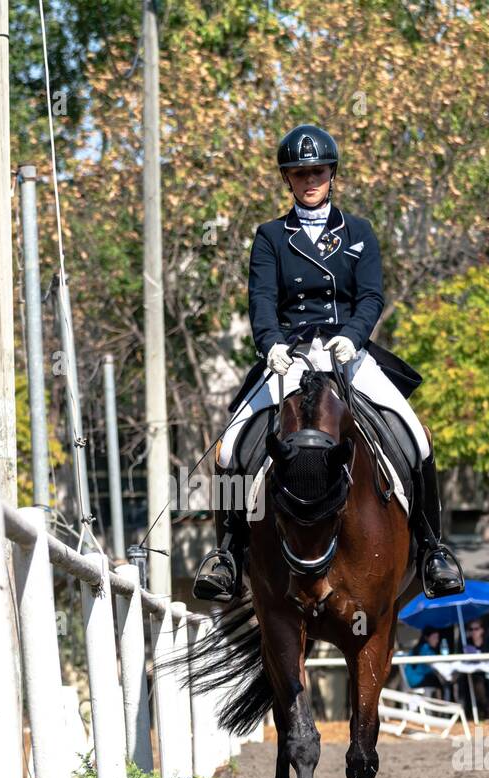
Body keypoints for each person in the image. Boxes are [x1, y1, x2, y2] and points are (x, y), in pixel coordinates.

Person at [192, 123, 463, 603]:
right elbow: (261, 300)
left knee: (417, 435)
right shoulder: (271, 236)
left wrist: (353, 337)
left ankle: (431, 548)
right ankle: (229, 551)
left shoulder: (358, 232)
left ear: (331, 174)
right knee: (232, 445)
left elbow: (372, 295)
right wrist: (270, 343)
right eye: (299, 173)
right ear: (288, 180)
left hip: (347, 353)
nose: (309, 180)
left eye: (317, 171)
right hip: (291, 356)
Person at [403, 628, 451, 698]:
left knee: (438, 680)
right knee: (442, 682)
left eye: (437, 638)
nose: (437, 640)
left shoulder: (419, 647)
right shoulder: (425, 648)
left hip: (412, 680)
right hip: (417, 680)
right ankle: (443, 703)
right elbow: (435, 664)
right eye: (434, 637)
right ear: (426, 637)